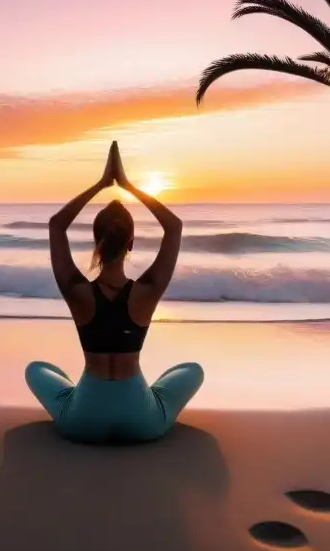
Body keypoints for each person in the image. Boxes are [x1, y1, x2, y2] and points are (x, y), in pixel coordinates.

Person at [25, 141, 204, 443]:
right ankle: (136, 400)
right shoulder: (147, 291)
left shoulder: (77, 291)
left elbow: (57, 226)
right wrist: (129, 185)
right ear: (131, 243)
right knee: (192, 370)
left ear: (96, 242)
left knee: (36, 369)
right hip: (141, 422)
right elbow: (174, 227)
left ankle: (81, 397)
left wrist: (101, 184)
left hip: (83, 422)